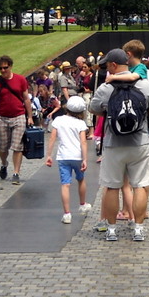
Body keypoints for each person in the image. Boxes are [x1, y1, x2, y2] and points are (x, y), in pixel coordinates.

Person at [89, 49, 149, 242]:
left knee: (112, 186)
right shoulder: (144, 85)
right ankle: (138, 228)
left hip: (113, 143)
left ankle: (111, 229)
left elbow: (93, 109)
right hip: (139, 142)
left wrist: (111, 114)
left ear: (113, 65)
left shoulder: (106, 88)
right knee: (140, 185)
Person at [0, 55, 34, 185]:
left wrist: (29, 117)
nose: (2, 70)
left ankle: (16, 173)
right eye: (0, 68)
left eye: (5, 68)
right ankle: (4, 163)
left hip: (19, 116)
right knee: (3, 147)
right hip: (2, 117)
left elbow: (26, 99)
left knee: (17, 146)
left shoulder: (20, 80)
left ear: (10, 66)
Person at [45, 96, 91, 224]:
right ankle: (82, 204)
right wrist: (85, 159)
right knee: (81, 179)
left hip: (63, 156)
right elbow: (83, 142)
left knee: (65, 184)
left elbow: (52, 138)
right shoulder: (81, 123)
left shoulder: (59, 120)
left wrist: (49, 155)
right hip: (77, 156)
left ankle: (67, 214)